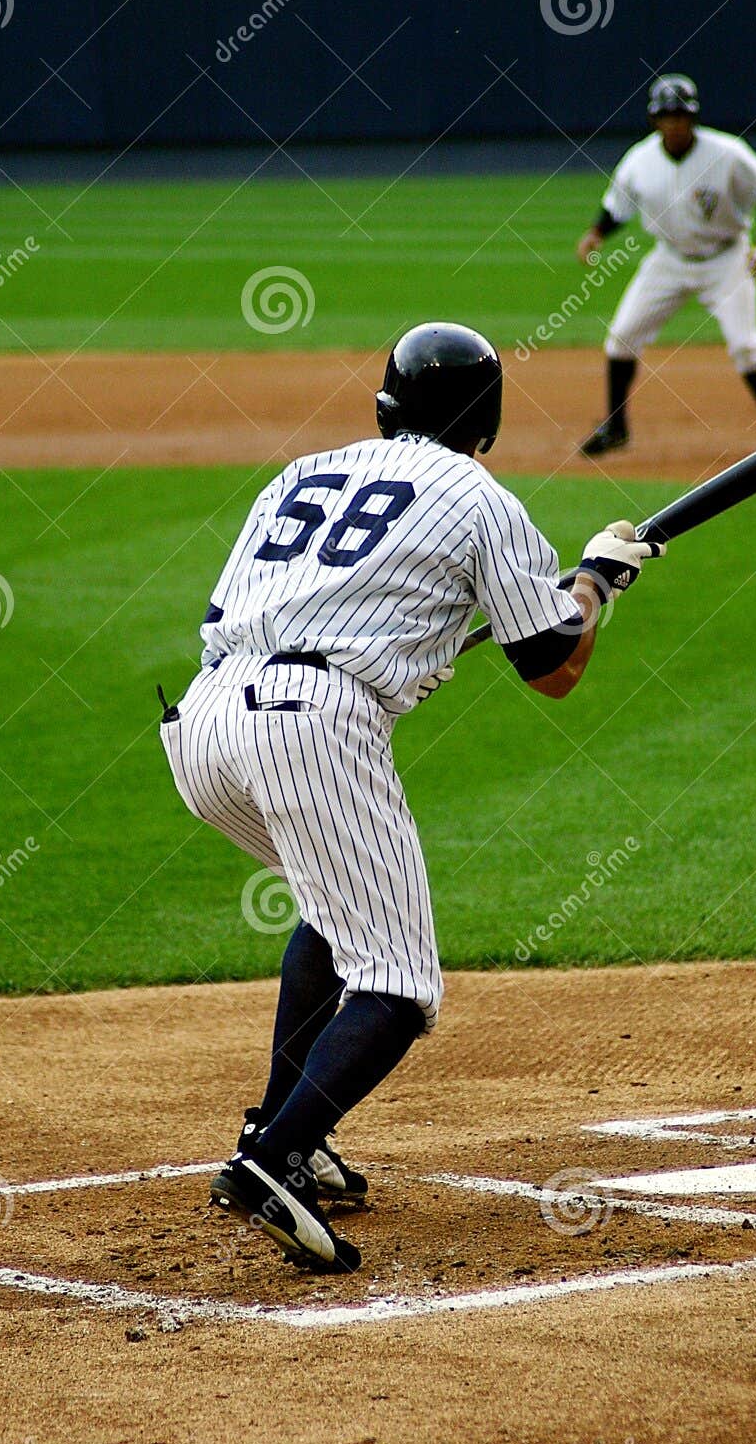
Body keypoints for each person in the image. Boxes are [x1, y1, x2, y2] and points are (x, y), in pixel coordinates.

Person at [159, 322, 665, 1272]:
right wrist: (598, 579)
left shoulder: (300, 473)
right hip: (307, 724)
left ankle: (284, 1130)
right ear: (488, 418)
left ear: (385, 402)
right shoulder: (480, 498)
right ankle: (269, 1162)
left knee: (333, 909)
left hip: (202, 722)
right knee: (396, 980)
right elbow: (552, 668)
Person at [577, 74, 756, 455]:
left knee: (746, 345)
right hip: (668, 260)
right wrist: (595, 233)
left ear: (693, 118)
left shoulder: (727, 153)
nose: (674, 123)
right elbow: (617, 207)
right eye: (666, 116)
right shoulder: (640, 159)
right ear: (655, 120)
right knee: (622, 337)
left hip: (725, 259)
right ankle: (616, 428)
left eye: (680, 116)